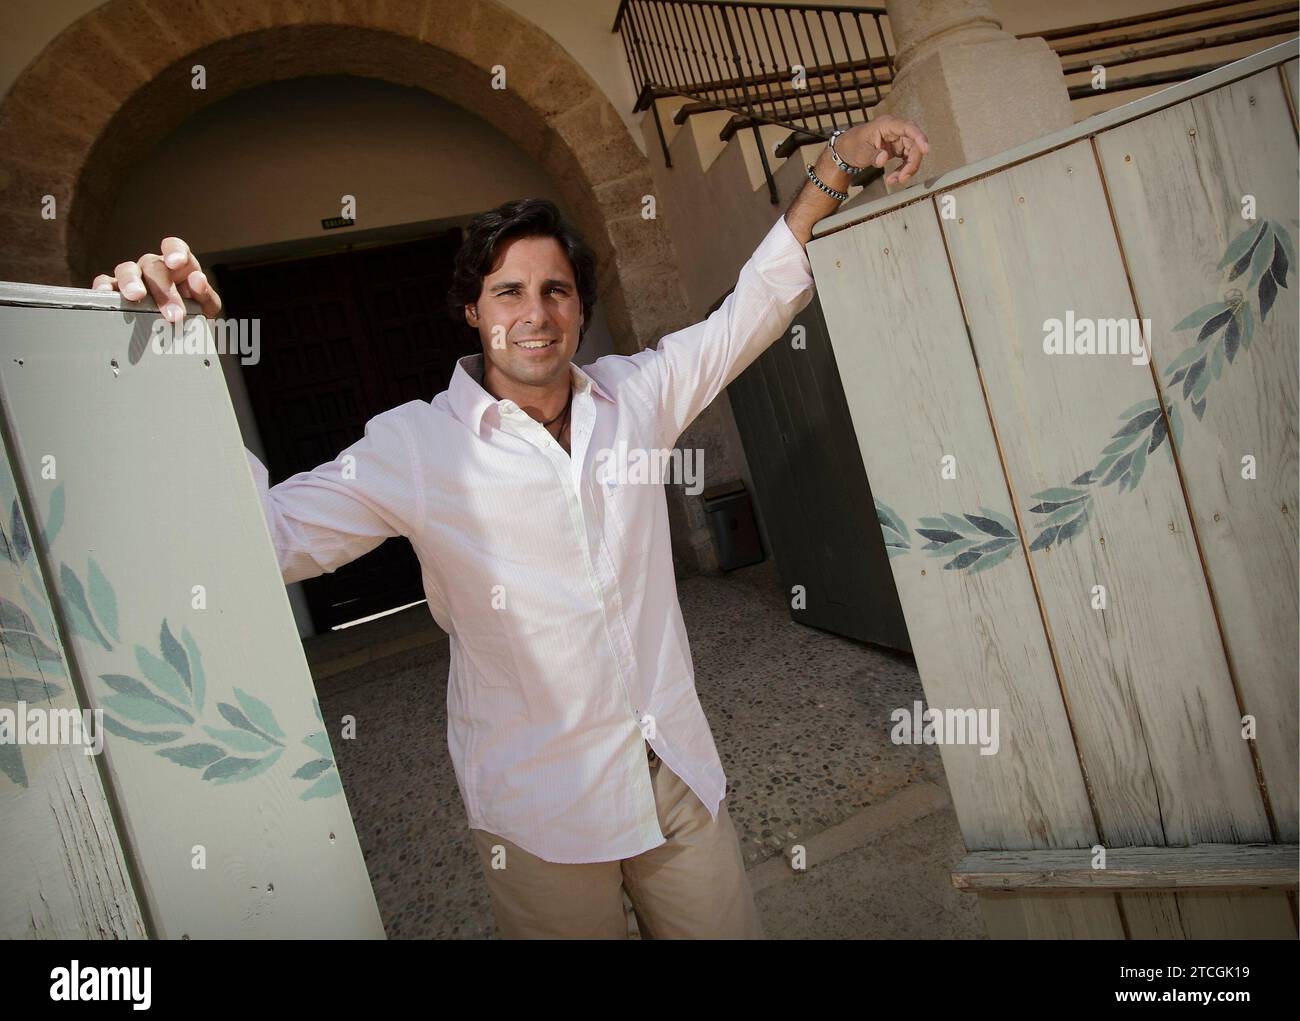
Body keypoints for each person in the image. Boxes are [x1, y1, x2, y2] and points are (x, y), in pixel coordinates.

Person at [91, 117, 929, 939]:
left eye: (555, 290)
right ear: (472, 311)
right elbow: (264, 538)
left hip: (673, 773)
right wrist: (182, 367)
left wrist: (836, 169)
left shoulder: (636, 397)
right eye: (509, 291)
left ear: (579, 308)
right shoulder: (417, 447)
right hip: (539, 814)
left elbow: (751, 309)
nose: (535, 313)